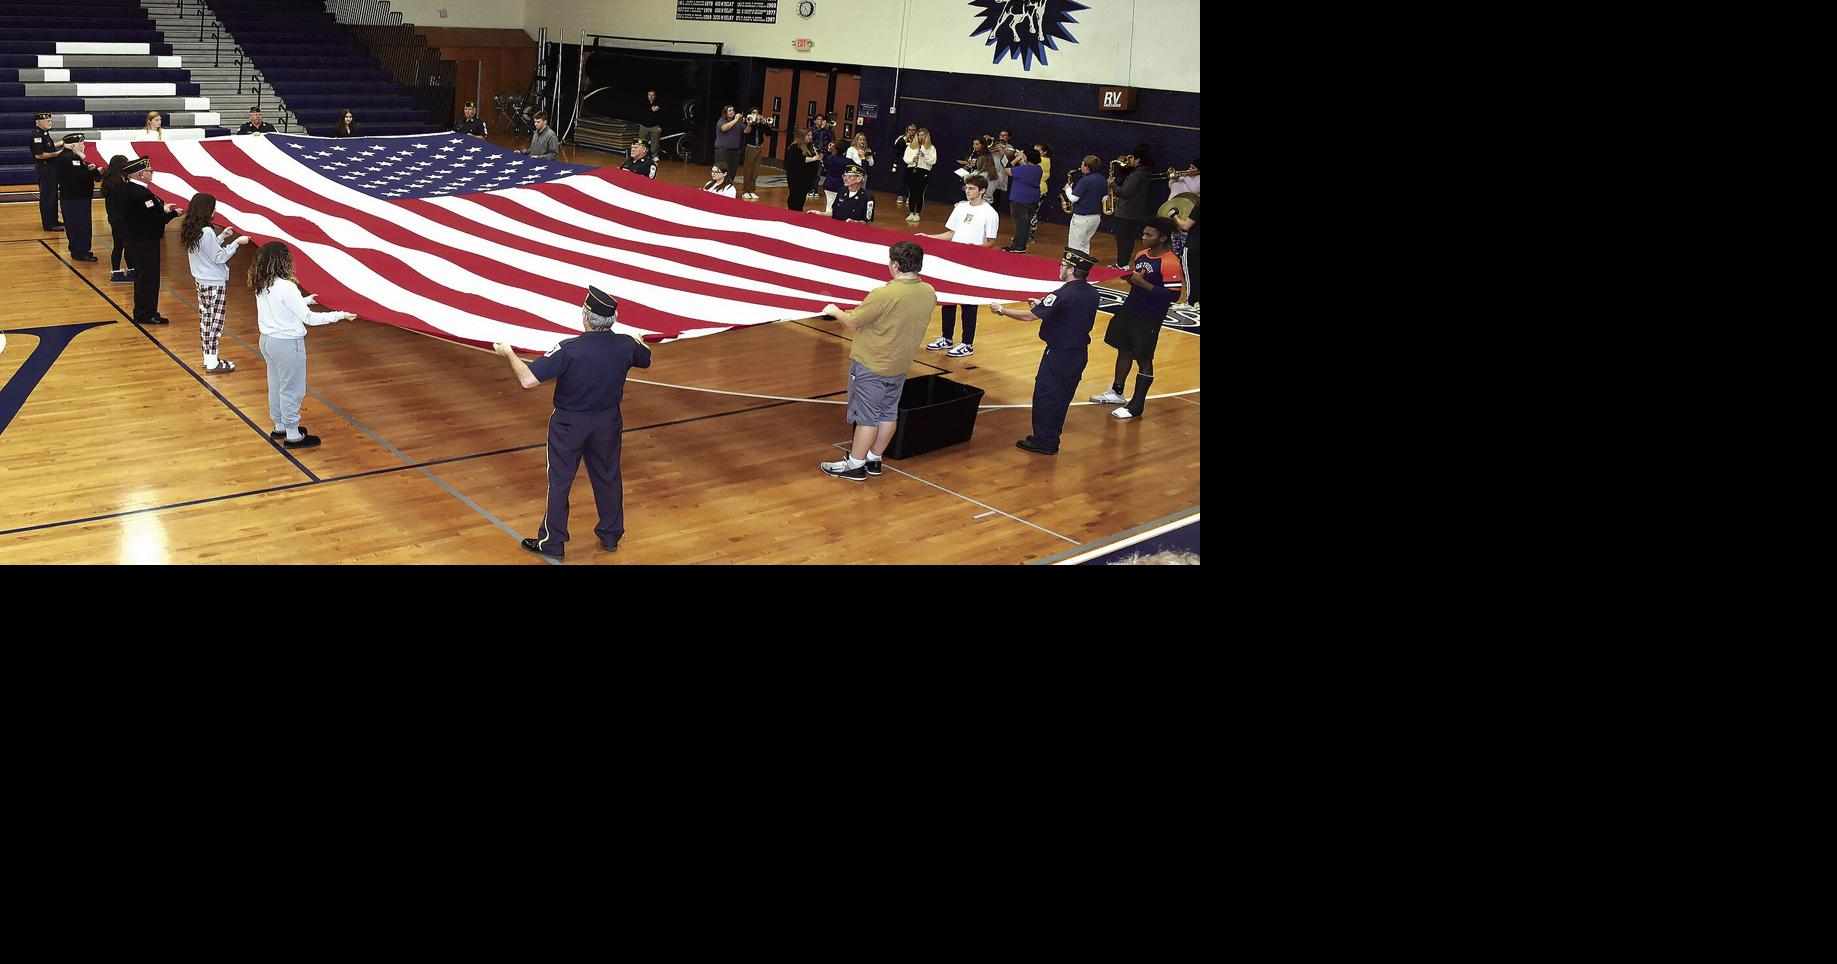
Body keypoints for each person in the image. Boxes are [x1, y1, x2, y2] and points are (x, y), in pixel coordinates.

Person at [492, 286, 652, 560]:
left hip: (569, 424)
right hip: (608, 421)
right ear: (612, 320)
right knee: (608, 476)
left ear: (586, 317)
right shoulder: (626, 345)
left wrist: (508, 353)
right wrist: (640, 340)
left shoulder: (569, 350)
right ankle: (611, 534)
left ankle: (553, 542)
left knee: (560, 481)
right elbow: (645, 359)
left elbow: (528, 380)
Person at [816, 240, 937, 480]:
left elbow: (854, 321)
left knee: (867, 417)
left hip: (872, 364)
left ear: (895, 264)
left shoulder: (884, 294)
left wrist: (834, 311)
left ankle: (855, 464)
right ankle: (874, 459)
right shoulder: (928, 292)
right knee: (888, 413)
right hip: (899, 364)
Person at [993, 249, 1100, 455]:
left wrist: (1001, 310)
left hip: (1059, 354)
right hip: (1078, 353)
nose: (1060, 268)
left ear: (1071, 270)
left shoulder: (1062, 294)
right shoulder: (1092, 293)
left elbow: (1028, 317)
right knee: (1062, 397)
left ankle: (1045, 442)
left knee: (1046, 396)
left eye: (1063, 265)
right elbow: (1068, 312)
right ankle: (1048, 436)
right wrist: (1042, 306)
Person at [250, 241, 353, 447]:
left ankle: (280, 425)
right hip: (287, 344)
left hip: (267, 341)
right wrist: (340, 315)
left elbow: (280, 306)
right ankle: (293, 434)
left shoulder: (262, 284)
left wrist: (303, 300)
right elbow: (310, 319)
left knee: (276, 384)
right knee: (292, 388)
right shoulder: (287, 287)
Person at [1092, 217, 1181, 420]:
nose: (1144, 237)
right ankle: (1117, 391)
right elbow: (1140, 280)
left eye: (1149, 235)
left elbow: (1173, 295)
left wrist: (1143, 284)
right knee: (1124, 349)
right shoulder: (1141, 255)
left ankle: (1136, 405)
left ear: (1163, 238)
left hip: (1150, 317)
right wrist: (1130, 279)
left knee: (1144, 358)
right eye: (1144, 233)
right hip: (1131, 309)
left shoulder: (1170, 262)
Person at [917, 174, 999, 358]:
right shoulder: (960, 208)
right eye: (966, 188)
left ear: (982, 190)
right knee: (949, 299)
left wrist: (973, 250)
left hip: (973, 264)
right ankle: (947, 337)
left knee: (969, 303)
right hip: (954, 260)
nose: (968, 191)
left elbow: (991, 241)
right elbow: (950, 234)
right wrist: (928, 237)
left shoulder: (990, 213)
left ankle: (967, 343)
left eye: (972, 188)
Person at [181, 193, 253, 373]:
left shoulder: (192, 229)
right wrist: (236, 242)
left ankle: (209, 358)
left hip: (201, 282)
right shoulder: (206, 231)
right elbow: (219, 257)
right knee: (215, 322)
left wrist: (221, 237)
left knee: (206, 321)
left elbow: (205, 249)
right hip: (214, 283)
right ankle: (213, 362)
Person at [108, 156, 180, 326]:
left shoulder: (127, 188)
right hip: (145, 241)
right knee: (148, 279)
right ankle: (146, 313)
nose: (151, 172)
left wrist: (162, 209)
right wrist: (173, 214)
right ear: (140, 174)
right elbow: (153, 219)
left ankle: (144, 311)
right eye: (148, 170)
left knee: (143, 277)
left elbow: (143, 213)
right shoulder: (142, 193)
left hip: (135, 240)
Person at [54, 135, 104, 262]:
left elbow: (76, 174)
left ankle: (78, 249)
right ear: (73, 145)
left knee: (74, 225)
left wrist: (88, 169)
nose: (83, 146)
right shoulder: (71, 158)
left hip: (72, 197)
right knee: (80, 225)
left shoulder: (65, 156)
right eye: (81, 144)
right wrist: (96, 172)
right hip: (77, 197)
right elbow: (79, 177)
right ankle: (81, 251)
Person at [1108, 145, 1152, 268]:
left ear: (1138, 160)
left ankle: (1122, 264)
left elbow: (1125, 193)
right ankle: (1122, 263)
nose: (1129, 160)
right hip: (1132, 212)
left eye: (1132, 158)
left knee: (1123, 239)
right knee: (1125, 239)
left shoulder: (1137, 175)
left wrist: (1112, 185)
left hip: (1126, 213)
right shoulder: (1142, 173)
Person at [100, 155, 137, 283]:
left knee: (118, 245)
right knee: (127, 245)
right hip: (122, 218)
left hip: (114, 218)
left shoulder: (108, 180)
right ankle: (131, 270)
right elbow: (123, 201)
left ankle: (117, 272)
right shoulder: (119, 183)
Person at [1002, 147, 1043, 253]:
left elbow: (1007, 170)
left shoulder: (1024, 170)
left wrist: (1016, 159)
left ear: (1026, 157)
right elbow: (1025, 168)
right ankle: (1022, 245)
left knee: (1020, 224)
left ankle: (1018, 247)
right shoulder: (1038, 169)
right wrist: (1022, 159)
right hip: (1032, 200)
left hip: (1020, 201)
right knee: (1026, 223)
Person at [1064, 154, 1106, 256]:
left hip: (1082, 218)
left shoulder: (1085, 180)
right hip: (1095, 218)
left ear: (1087, 167)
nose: (1081, 166)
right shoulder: (1102, 179)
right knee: (1085, 244)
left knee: (1075, 245)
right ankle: (1083, 264)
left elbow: (1073, 198)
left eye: (1082, 164)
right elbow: (1105, 198)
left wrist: (1068, 189)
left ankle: (1073, 265)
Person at [31, 112, 61, 231]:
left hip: (51, 168)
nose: (50, 123)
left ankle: (54, 220)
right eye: (47, 121)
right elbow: (39, 155)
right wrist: (58, 154)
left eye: (50, 120)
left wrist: (62, 143)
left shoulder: (44, 133)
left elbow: (49, 146)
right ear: (38, 122)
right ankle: (49, 224)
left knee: (53, 195)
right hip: (45, 168)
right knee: (48, 196)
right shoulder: (36, 136)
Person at [738, 106, 774, 200]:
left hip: (759, 148)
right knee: (748, 170)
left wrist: (765, 123)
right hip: (751, 147)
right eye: (754, 112)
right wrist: (751, 123)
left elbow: (769, 134)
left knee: (755, 171)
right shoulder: (748, 121)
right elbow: (746, 132)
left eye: (757, 113)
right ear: (750, 114)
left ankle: (752, 190)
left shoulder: (761, 123)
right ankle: (745, 191)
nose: (756, 114)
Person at [902, 127, 936, 222]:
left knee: (920, 193)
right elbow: (905, 158)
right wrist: (912, 160)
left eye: (923, 135)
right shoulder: (911, 146)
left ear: (927, 136)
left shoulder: (931, 148)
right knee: (912, 192)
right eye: (919, 135)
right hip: (912, 169)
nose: (921, 137)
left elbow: (933, 161)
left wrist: (924, 156)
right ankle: (911, 212)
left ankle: (917, 213)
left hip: (923, 171)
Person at [784, 127, 822, 212]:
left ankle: (799, 211)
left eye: (811, 135)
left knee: (802, 196)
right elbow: (800, 160)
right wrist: (814, 158)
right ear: (802, 136)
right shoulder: (795, 147)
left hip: (805, 177)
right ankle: (792, 211)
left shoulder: (809, 146)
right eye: (808, 135)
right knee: (795, 195)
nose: (810, 137)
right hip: (796, 177)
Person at [1173, 200, 1200, 310]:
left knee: (1190, 275)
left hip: (1193, 246)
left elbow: (1185, 226)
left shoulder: (1198, 207)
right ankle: (1197, 301)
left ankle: (1191, 302)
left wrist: (1174, 216)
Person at [890, 122, 918, 208]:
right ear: (907, 130)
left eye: (913, 130)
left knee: (912, 179)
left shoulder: (918, 139)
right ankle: (900, 195)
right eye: (910, 129)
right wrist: (905, 139)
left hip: (914, 162)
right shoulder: (902, 138)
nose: (912, 131)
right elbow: (897, 147)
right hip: (903, 161)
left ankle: (910, 196)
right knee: (902, 178)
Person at [712, 104, 744, 179]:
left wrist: (750, 124)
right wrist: (736, 120)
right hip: (723, 151)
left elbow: (746, 131)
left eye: (733, 110)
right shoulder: (721, 121)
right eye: (729, 110)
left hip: (735, 152)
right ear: (725, 113)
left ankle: (729, 185)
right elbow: (724, 128)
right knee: (721, 171)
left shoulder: (738, 123)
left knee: (732, 172)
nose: (732, 112)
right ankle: (720, 185)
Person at [820, 136, 847, 214]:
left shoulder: (830, 158)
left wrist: (829, 150)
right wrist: (863, 159)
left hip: (828, 184)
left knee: (829, 205)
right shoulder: (847, 161)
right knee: (839, 206)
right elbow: (861, 169)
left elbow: (824, 159)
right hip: (840, 185)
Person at [636, 89, 664, 158]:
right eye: (649, 95)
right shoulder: (643, 102)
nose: (651, 97)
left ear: (655, 96)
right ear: (647, 96)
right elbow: (640, 112)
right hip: (644, 126)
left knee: (655, 142)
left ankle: (654, 156)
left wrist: (661, 126)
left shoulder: (659, 103)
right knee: (641, 142)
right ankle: (641, 155)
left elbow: (663, 116)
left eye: (652, 95)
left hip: (654, 127)